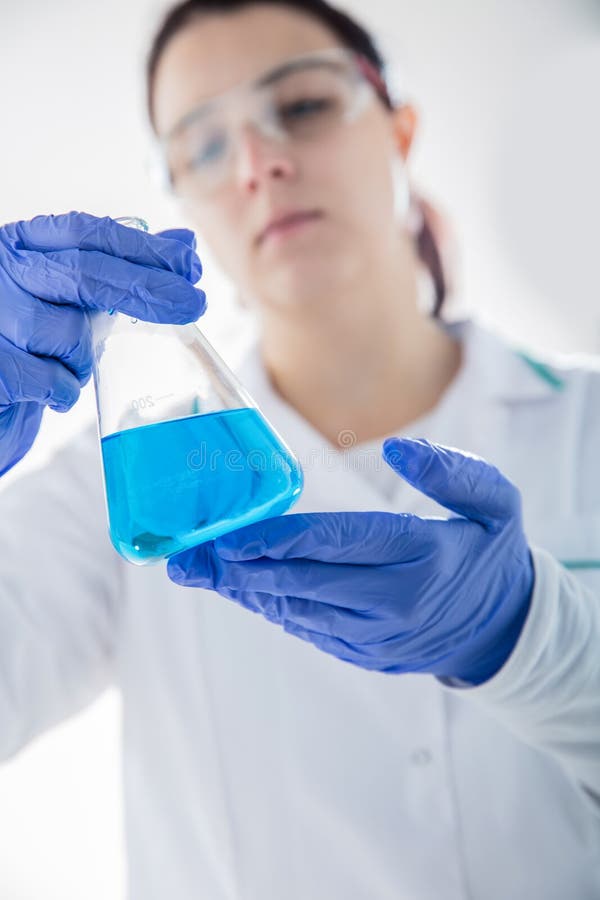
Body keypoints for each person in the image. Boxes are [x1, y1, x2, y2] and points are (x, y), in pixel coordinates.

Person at [0, 1, 598, 897]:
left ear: (400, 130)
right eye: (203, 145)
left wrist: (534, 637)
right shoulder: (113, 490)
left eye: (304, 105)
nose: (259, 163)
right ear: (179, 201)